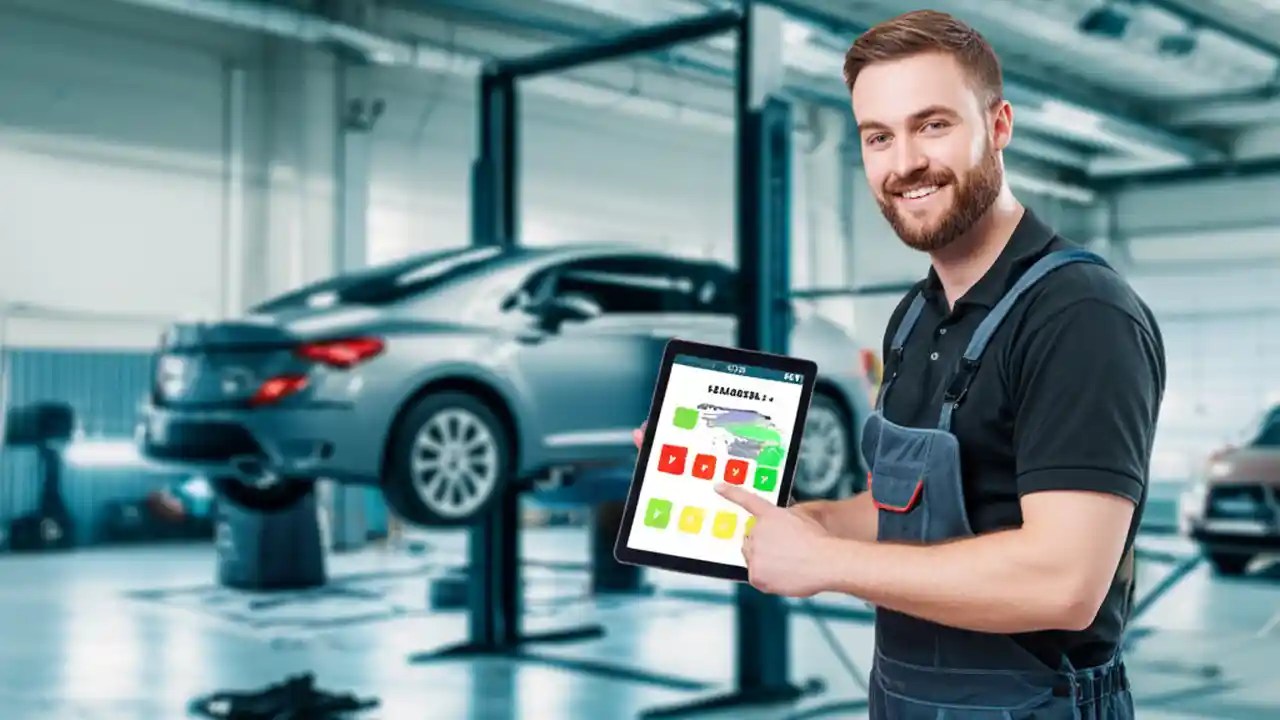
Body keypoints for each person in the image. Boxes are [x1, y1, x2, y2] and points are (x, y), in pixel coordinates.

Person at [636, 9, 1164, 719]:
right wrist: (781, 522)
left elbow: (1064, 583)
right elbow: (900, 511)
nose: (905, 161)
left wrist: (825, 566)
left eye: (933, 125)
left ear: (998, 126)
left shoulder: (1080, 315)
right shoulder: (915, 317)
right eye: (878, 137)